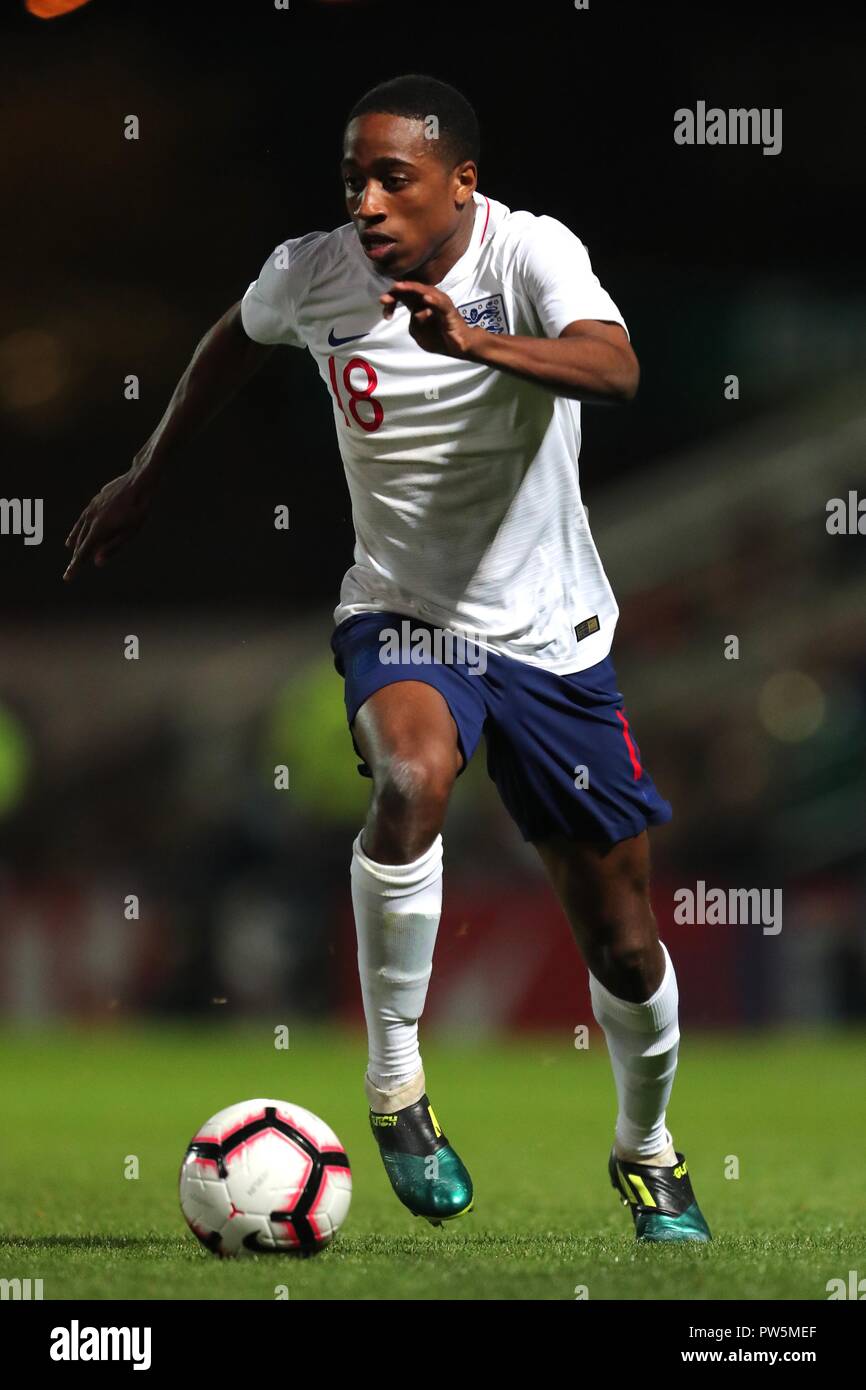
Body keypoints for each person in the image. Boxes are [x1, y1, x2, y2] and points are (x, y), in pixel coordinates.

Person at [64, 72, 711, 1243]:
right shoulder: (312, 272)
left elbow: (613, 368)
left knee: (620, 945)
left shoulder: (527, 255)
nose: (365, 201)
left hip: (553, 638)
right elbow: (229, 339)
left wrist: (475, 340)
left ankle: (648, 1150)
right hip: (401, 610)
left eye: (391, 178)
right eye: (351, 179)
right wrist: (147, 474)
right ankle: (396, 1089)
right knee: (410, 779)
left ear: (460, 182)